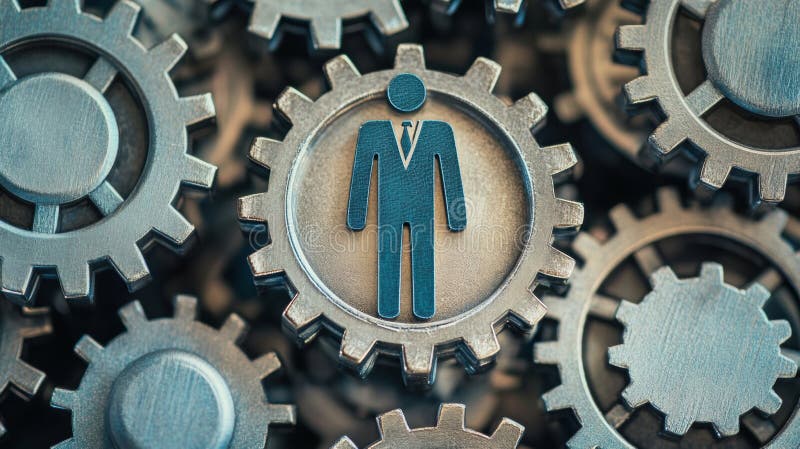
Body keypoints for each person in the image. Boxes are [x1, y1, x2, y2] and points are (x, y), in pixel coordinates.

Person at [347, 73, 466, 320]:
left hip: (423, 206)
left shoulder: (440, 130)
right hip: (388, 206)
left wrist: (458, 217)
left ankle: (423, 307)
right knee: (388, 255)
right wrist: (356, 216)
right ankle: (389, 307)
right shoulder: (372, 131)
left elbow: (450, 173)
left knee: (423, 255)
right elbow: (362, 174)